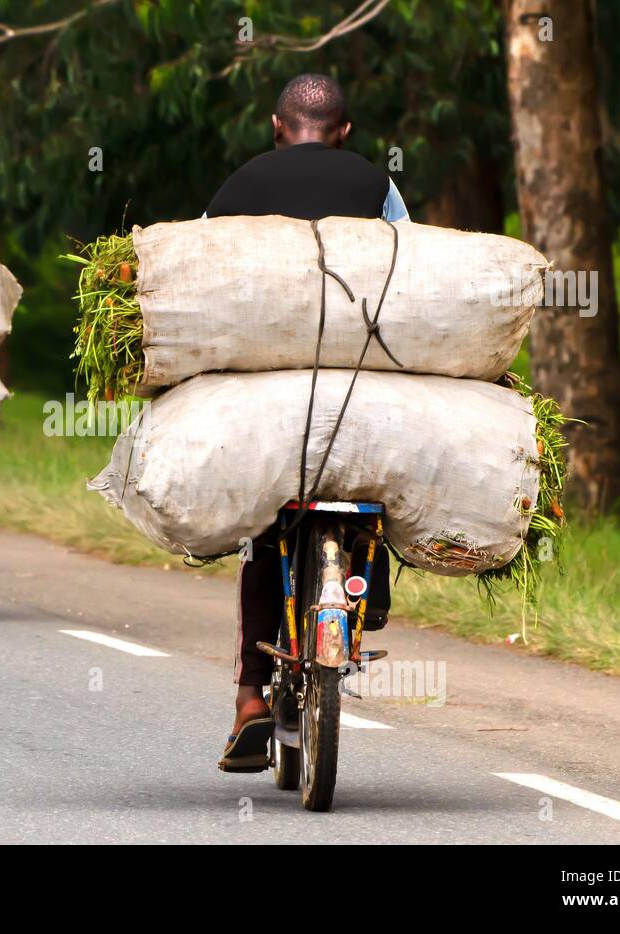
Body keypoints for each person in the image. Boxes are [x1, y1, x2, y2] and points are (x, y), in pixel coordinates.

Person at [205, 74, 407, 771]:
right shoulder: (376, 184)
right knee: (377, 489)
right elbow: (413, 272)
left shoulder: (240, 185)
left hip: (269, 402)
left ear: (276, 125)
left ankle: (250, 698)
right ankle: (369, 592)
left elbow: (198, 276)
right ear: (344, 131)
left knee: (264, 529)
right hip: (358, 390)